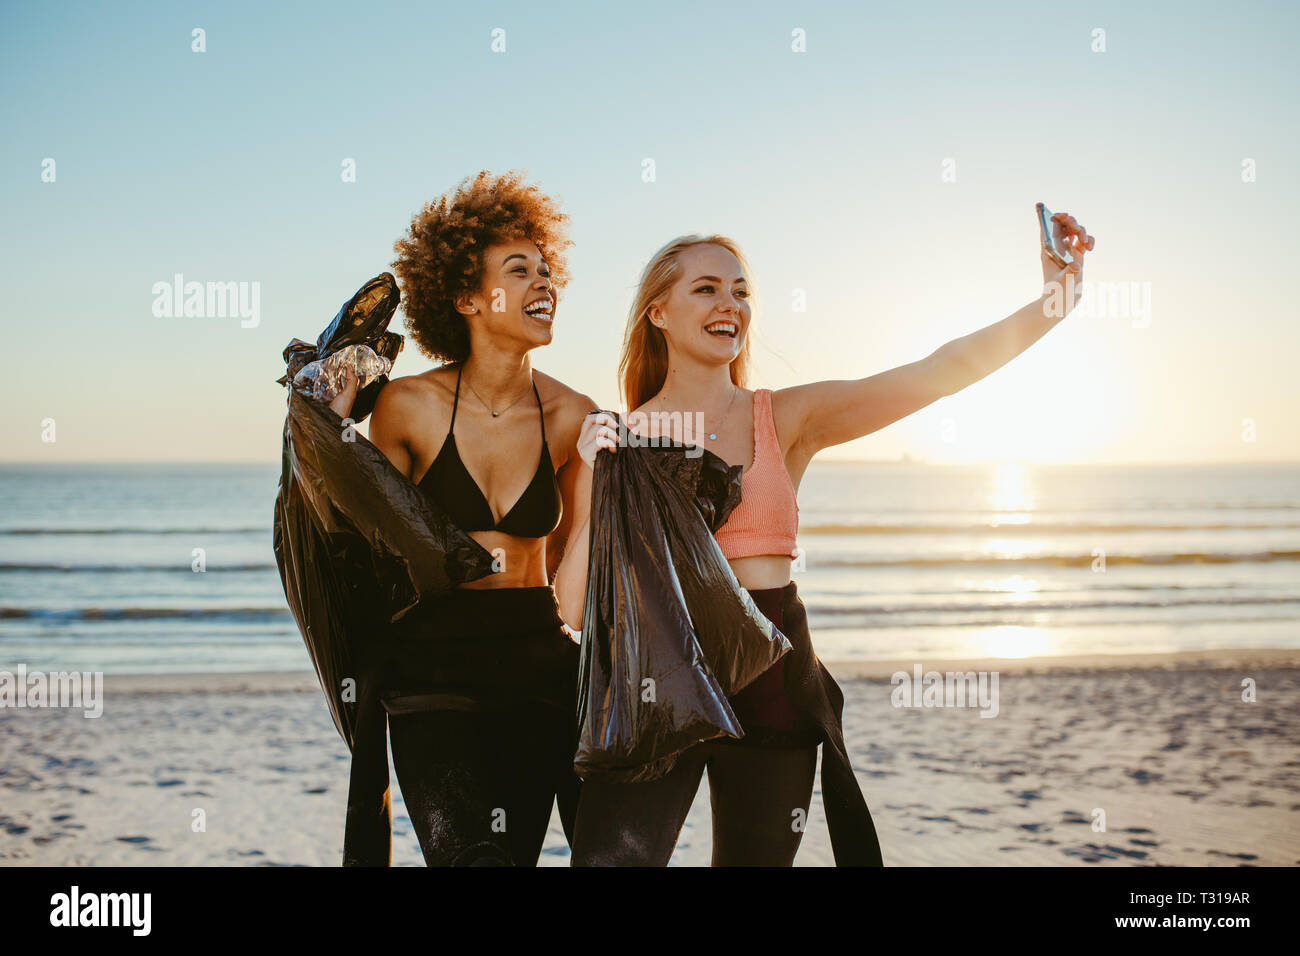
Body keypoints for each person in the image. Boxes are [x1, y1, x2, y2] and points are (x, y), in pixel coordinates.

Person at [554, 213, 1094, 865]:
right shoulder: (616, 440)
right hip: (656, 676)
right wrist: (596, 472)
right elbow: (574, 608)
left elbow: (936, 372)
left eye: (740, 291)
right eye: (706, 289)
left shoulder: (784, 417)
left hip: (773, 677)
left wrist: (1055, 302)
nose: (730, 304)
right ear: (658, 312)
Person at [327, 170, 598, 866]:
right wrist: (331, 430)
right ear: (466, 298)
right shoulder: (407, 407)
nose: (543, 284)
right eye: (519, 270)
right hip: (431, 669)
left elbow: (575, 576)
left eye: (546, 270)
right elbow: (363, 539)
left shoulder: (575, 416)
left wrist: (603, 471)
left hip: (538, 670)